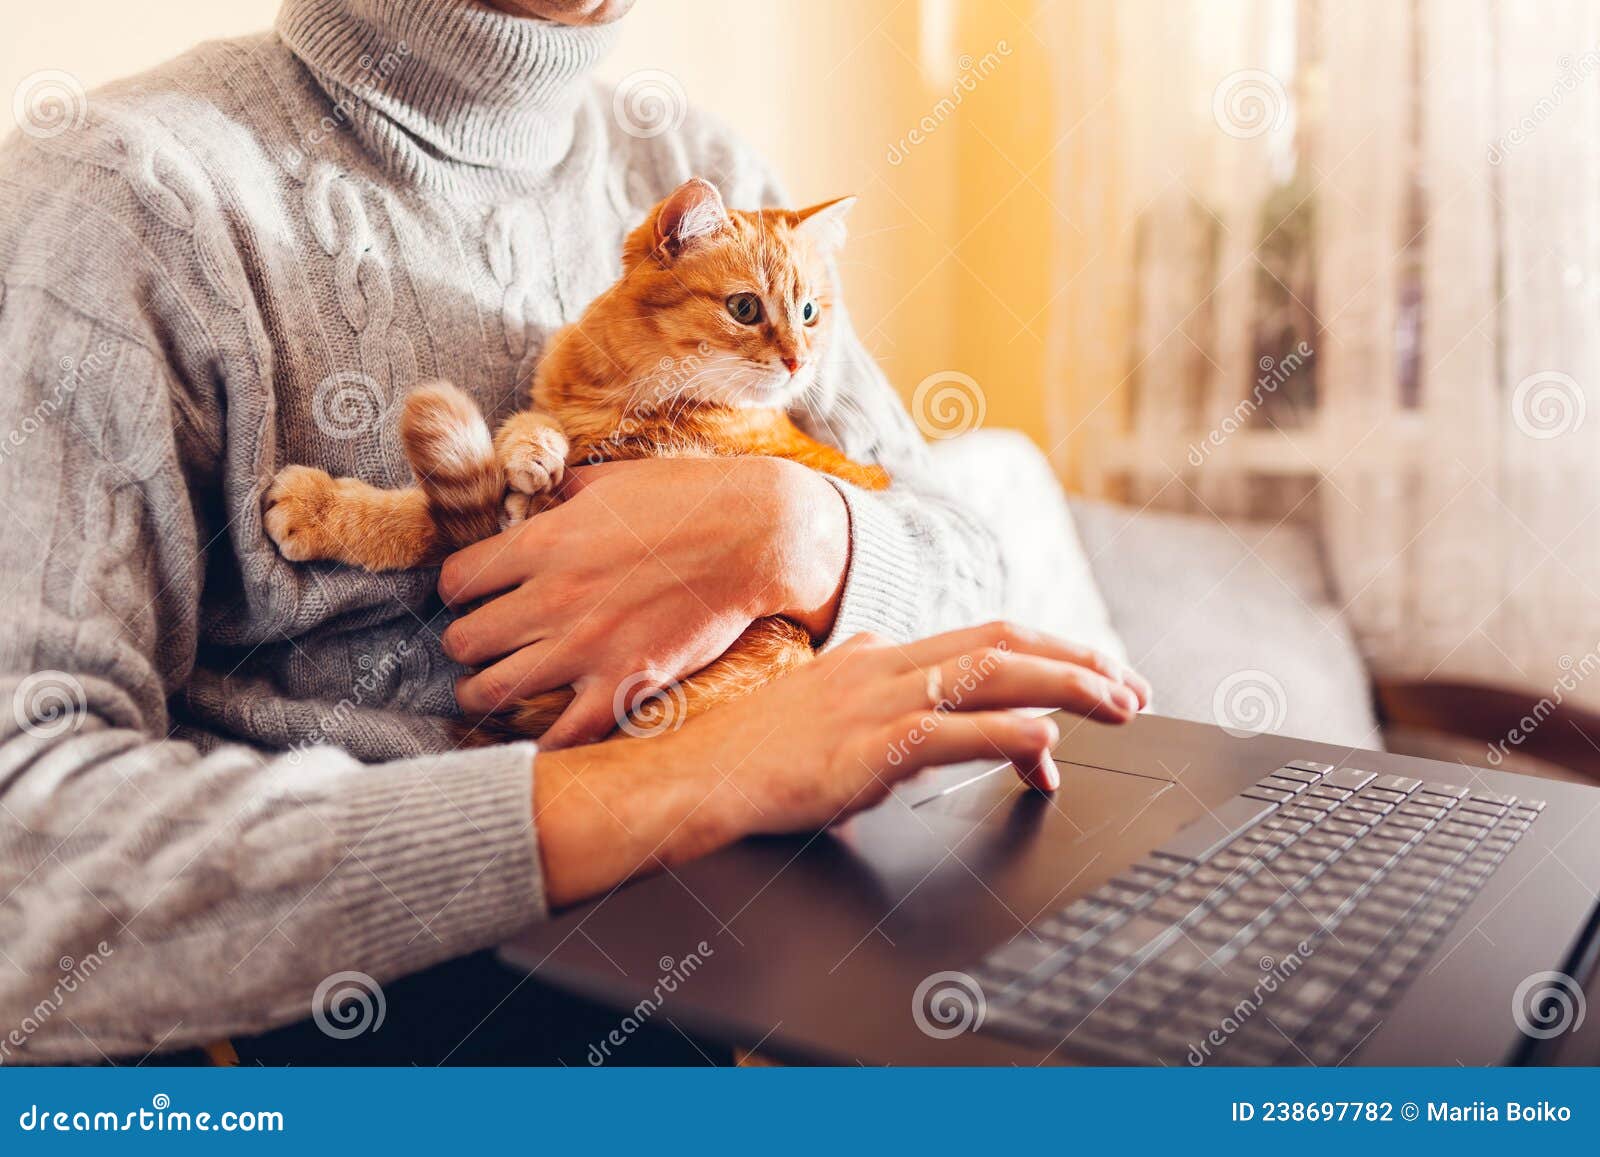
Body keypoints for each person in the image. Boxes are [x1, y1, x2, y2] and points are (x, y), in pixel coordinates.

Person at [0, 0, 1148, 1063]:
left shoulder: (709, 173)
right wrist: (681, 780)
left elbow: (965, 548)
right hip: (394, 1011)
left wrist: (804, 532)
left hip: (817, 909)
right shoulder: (119, 195)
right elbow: (28, 849)